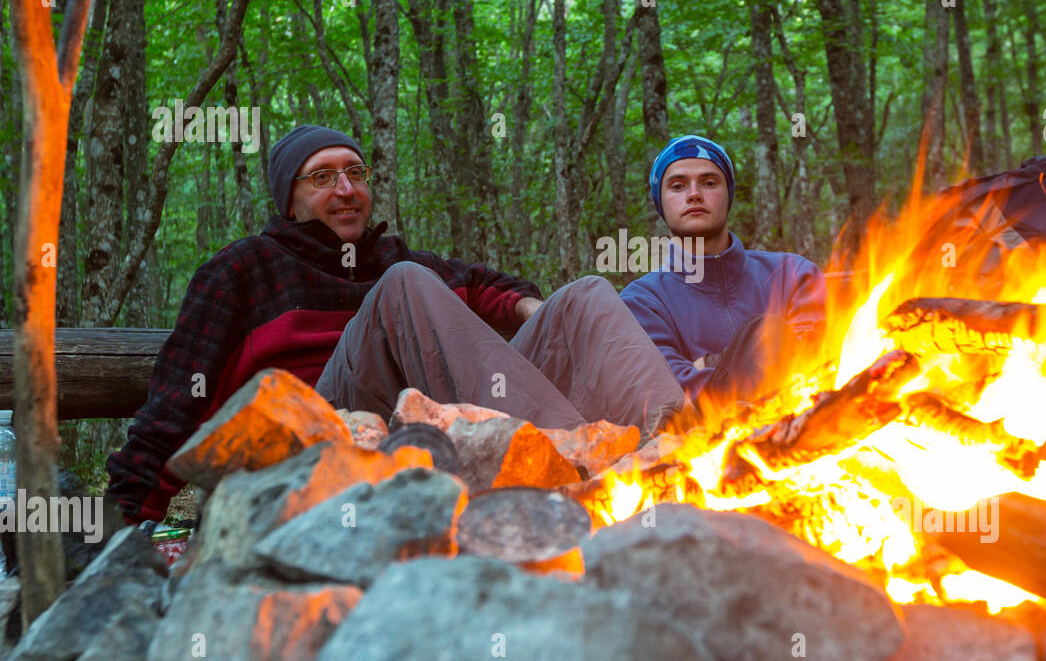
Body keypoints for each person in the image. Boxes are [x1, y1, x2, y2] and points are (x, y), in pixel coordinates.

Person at [107, 125, 684, 524]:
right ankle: (573, 470)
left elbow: (483, 284)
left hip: (424, 424)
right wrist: (127, 515)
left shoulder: (391, 255)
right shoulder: (244, 268)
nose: (346, 189)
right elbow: (178, 397)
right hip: (325, 437)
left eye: (355, 173)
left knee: (584, 295)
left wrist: (532, 311)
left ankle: (678, 462)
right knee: (405, 282)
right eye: (322, 177)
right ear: (289, 199)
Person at [620, 135, 826, 407]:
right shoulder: (641, 303)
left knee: (768, 331)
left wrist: (708, 364)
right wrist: (754, 359)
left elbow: (815, 365)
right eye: (678, 186)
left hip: (810, 430)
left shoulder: (793, 275)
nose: (694, 194)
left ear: (728, 193)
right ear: (661, 202)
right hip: (702, 446)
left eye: (708, 182)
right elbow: (671, 396)